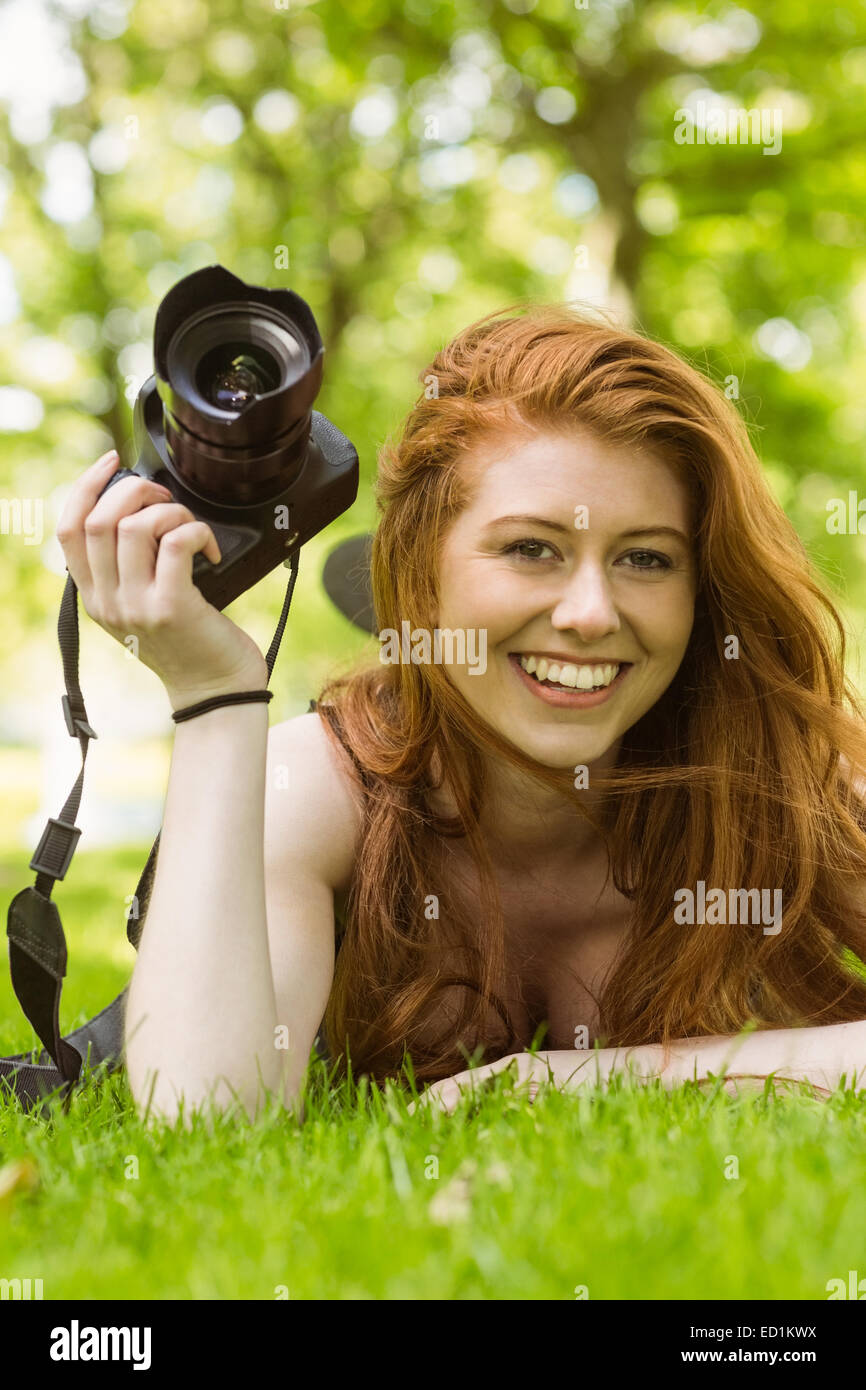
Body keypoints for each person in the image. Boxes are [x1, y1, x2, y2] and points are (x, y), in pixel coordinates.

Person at [56, 303, 866, 1124]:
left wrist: (564, 1078)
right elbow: (206, 1119)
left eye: (646, 559)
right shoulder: (319, 787)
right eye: (530, 548)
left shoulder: (777, 778)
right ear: (419, 573)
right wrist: (214, 696)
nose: (591, 613)